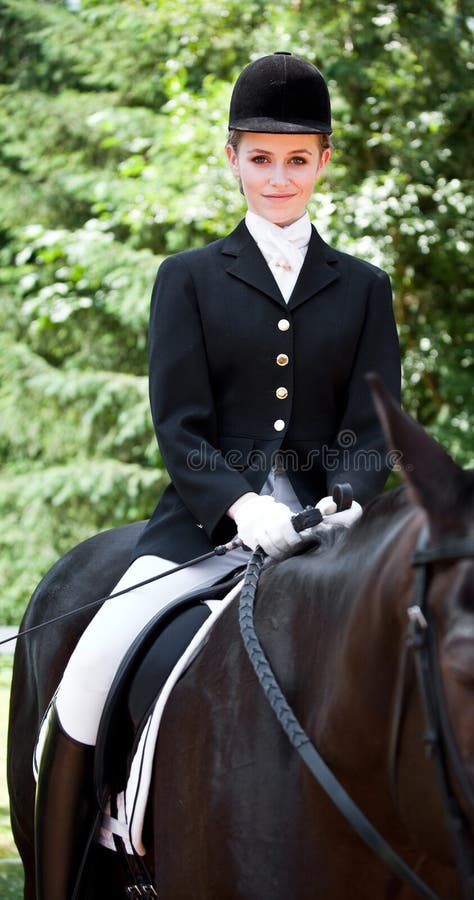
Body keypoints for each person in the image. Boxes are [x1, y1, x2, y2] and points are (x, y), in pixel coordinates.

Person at [33, 51, 402, 899]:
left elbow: (371, 423)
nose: (280, 178)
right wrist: (236, 503)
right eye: (262, 158)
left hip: (325, 538)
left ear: (324, 161)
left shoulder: (363, 288)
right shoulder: (190, 279)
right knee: (90, 675)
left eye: (298, 159)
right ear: (232, 157)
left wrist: (348, 500)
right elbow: (181, 423)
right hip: (202, 530)